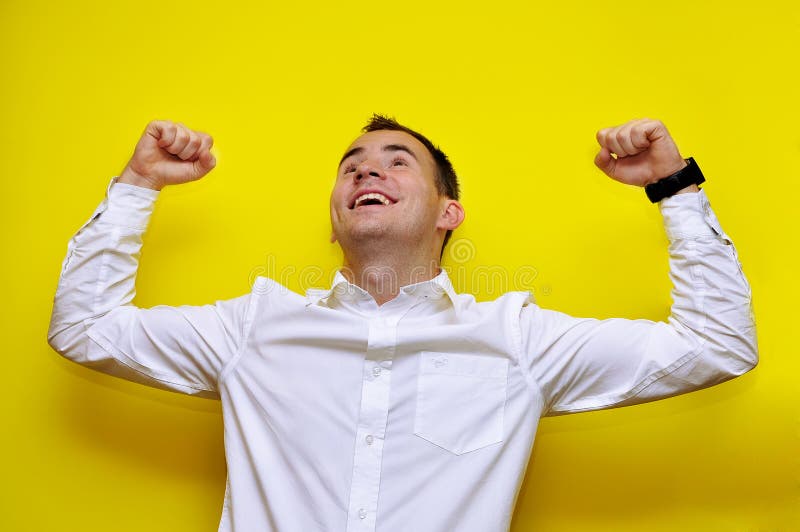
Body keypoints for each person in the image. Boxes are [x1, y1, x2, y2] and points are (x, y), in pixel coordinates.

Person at [47, 115, 758, 532]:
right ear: (334, 221)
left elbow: (717, 345)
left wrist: (673, 189)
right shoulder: (253, 329)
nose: (367, 172)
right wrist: (139, 185)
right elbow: (84, 328)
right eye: (351, 167)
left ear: (449, 213)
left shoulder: (517, 338)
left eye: (397, 162)